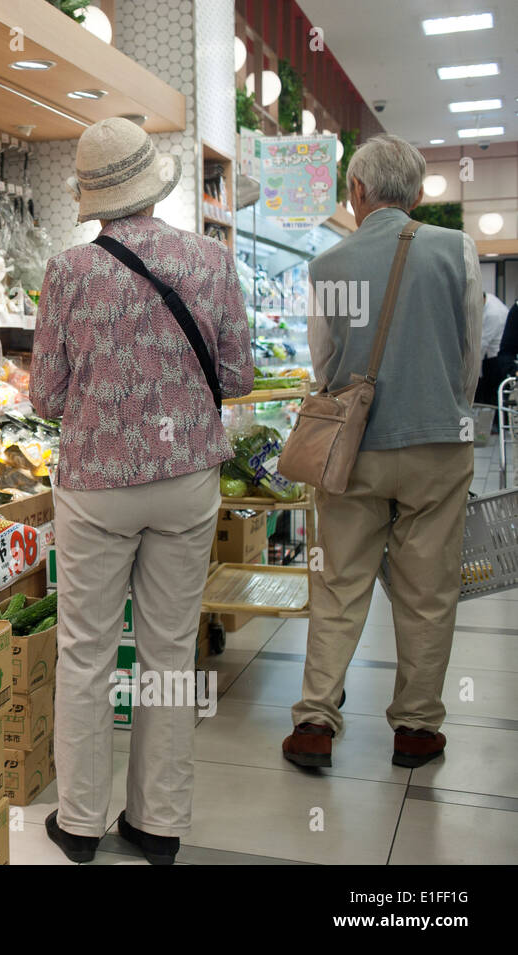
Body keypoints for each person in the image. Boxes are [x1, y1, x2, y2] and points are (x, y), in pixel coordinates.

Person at [31, 118, 253, 865]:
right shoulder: (212, 259)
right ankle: (158, 823)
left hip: (97, 481)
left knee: (87, 653)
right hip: (187, 476)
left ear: (94, 197)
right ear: (154, 184)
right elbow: (237, 377)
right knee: (167, 653)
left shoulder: (68, 270)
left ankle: (80, 821)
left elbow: (45, 395)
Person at [282, 134, 483, 770]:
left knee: (338, 584)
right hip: (436, 446)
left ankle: (315, 722)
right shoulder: (457, 251)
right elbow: (470, 352)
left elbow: (324, 362)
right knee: (428, 591)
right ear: (419, 193)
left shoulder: (329, 264)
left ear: (356, 192)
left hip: (352, 451)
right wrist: (446, 407)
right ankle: (417, 730)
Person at [475, 291, 511, 413]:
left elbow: (482, 344)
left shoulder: (493, 313)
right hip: (493, 355)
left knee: (493, 393)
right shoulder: (488, 299)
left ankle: (495, 423)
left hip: (496, 357)